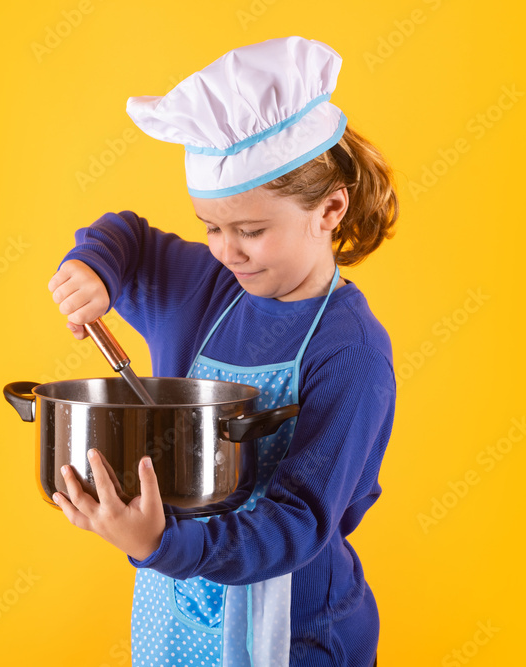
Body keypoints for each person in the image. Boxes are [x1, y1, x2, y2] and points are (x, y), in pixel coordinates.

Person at [47, 36, 397, 667]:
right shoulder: (205, 290)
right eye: (211, 226)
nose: (225, 251)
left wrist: (161, 542)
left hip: (297, 630)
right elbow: (124, 236)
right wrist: (94, 269)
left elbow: (298, 521)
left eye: (251, 231)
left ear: (330, 210)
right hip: (172, 605)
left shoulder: (353, 351)